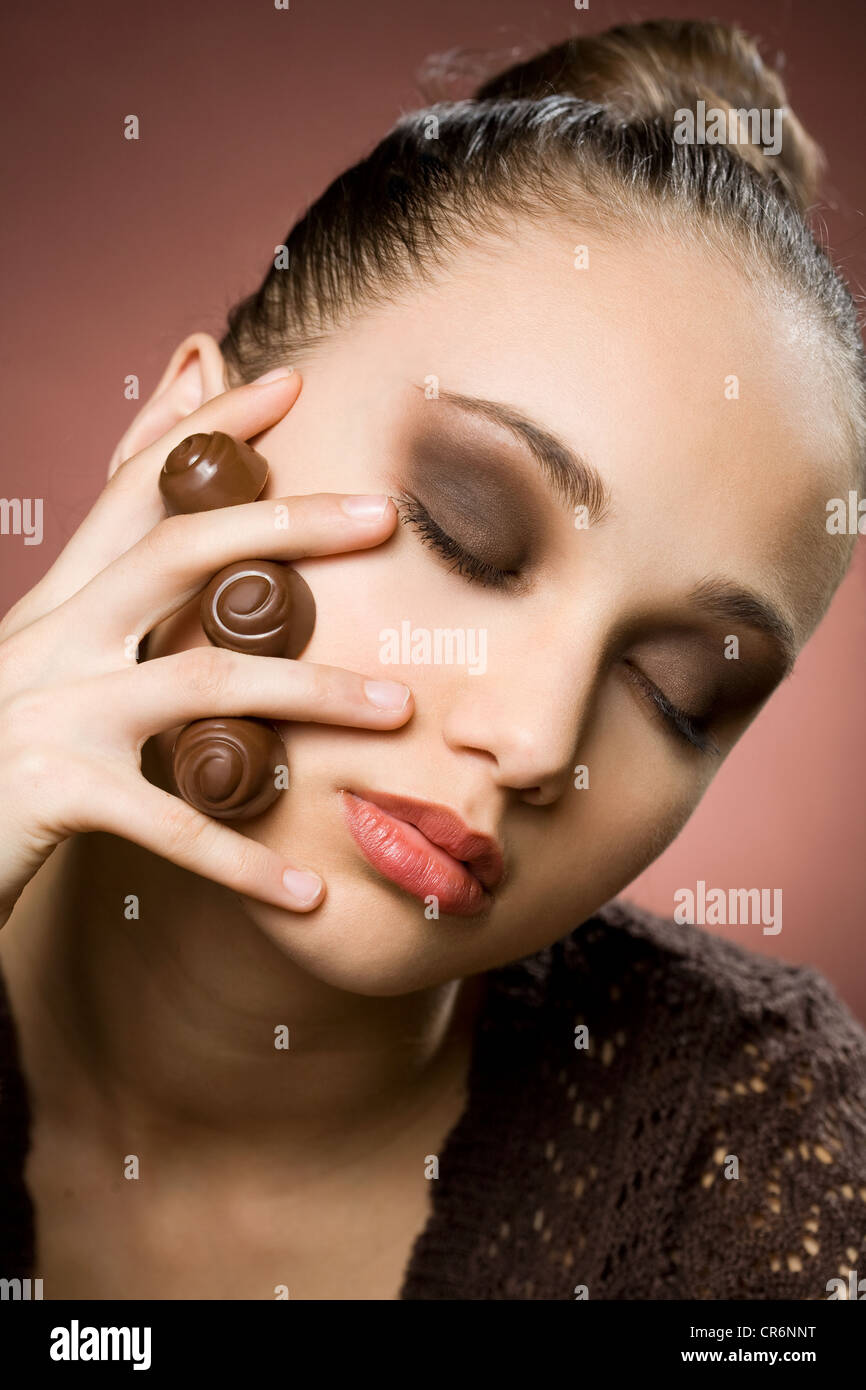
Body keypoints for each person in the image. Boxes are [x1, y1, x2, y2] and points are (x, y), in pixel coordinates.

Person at [1, 18, 864, 1300]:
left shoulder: (752, 1151)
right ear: (190, 434)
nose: (532, 740)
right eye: (465, 533)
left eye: (679, 694)